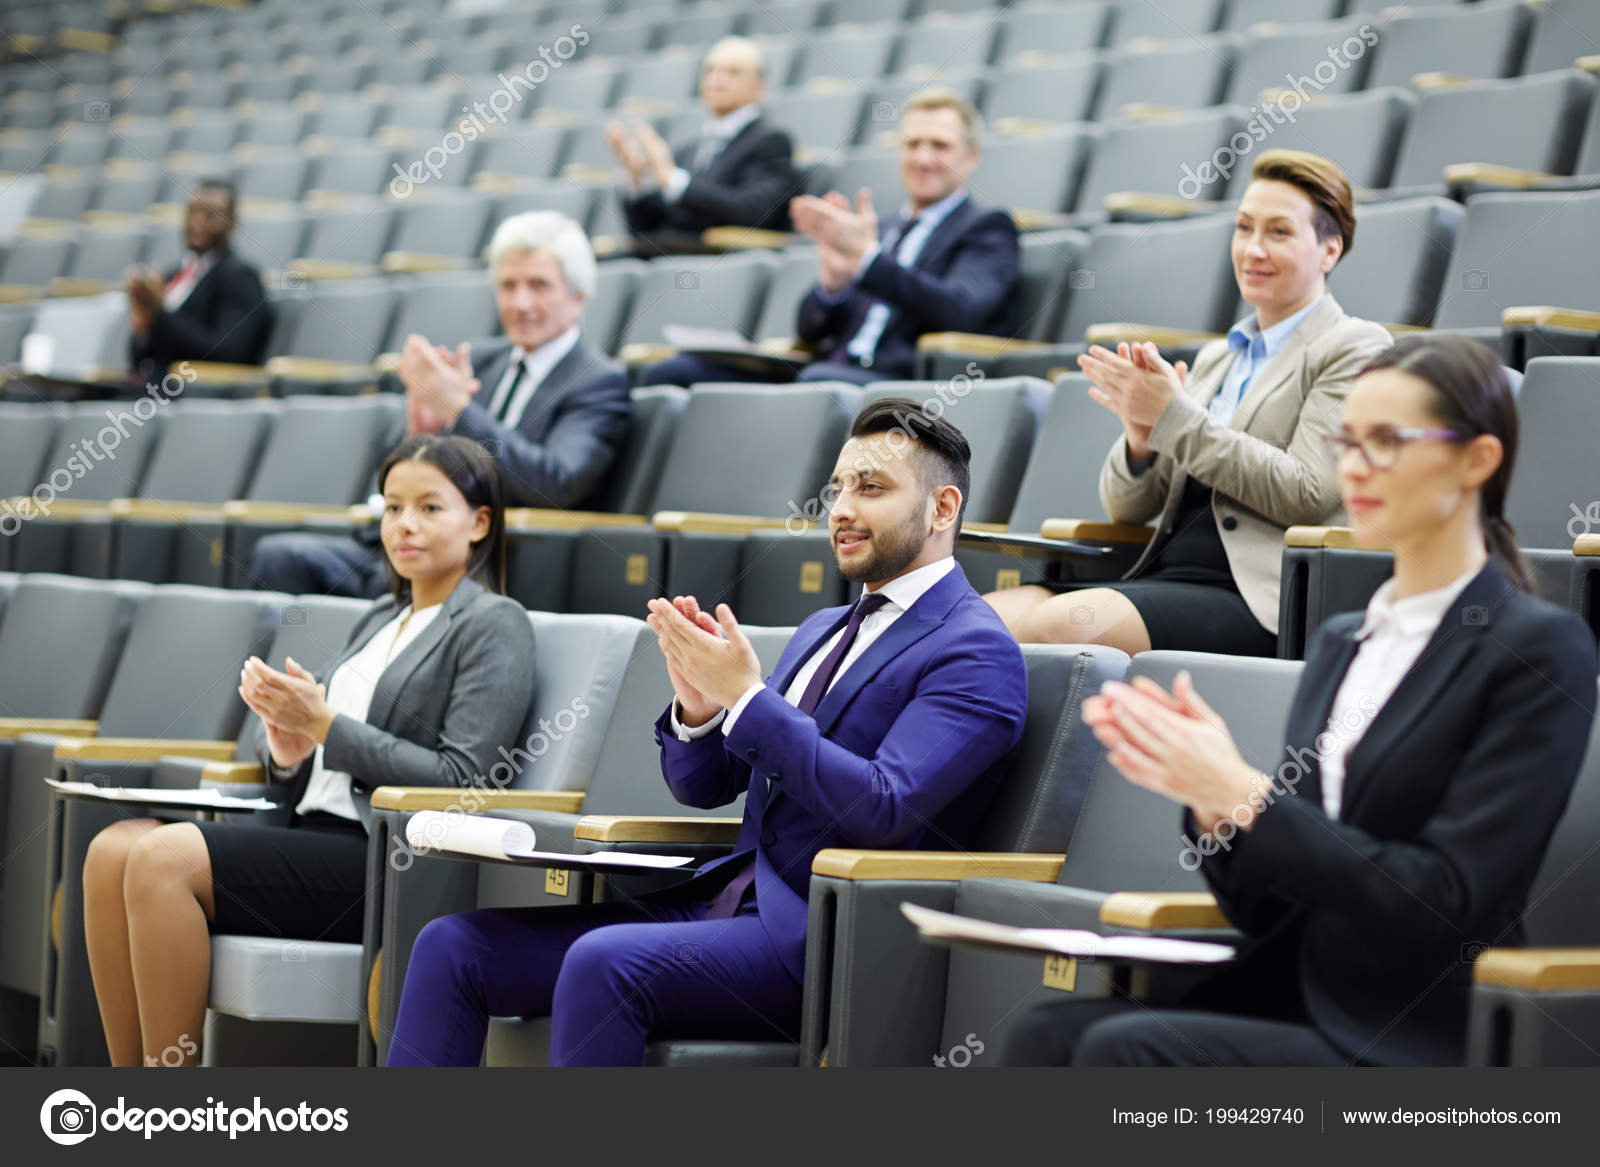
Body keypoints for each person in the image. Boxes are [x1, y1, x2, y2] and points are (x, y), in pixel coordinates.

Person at [1000, 333, 1598, 1067]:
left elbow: (1446, 902)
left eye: (1389, 441)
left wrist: (1248, 796)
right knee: (1043, 1033)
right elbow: (1274, 906)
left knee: (1128, 1052)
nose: (1355, 464)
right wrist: (1211, 805)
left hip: (1418, 1027)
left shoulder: (1539, 647)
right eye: (1348, 440)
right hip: (1300, 990)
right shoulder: (1345, 638)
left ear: (1477, 460)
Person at [385, 399, 1029, 1066]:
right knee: (452, 946)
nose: (840, 508)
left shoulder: (976, 650)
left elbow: (883, 807)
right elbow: (702, 786)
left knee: (604, 961)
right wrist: (699, 711)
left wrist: (747, 699)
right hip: (720, 902)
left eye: (871, 488)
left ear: (942, 508)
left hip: (826, 936)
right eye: (836, 488)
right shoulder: (822, 629)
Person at [81, 435, 538, 1067]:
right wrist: (292, 750)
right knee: (111, 849)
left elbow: (464, 778)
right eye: (393, 507)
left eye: (430, 508)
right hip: (310, 833)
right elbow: (323, 765)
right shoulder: (382, 614)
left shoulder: (495, 623)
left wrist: (325, 727)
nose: (404, 525)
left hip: (384, 858)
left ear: (480, 522)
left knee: (163, 858)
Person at [985, 150, 1393, 657]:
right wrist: (1141, 436)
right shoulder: (1220, 355)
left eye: (1279, 233)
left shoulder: (1354, 345)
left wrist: (1173, 417)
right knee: (978, 624)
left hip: (1254, 595)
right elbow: (1129, 508)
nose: (1253, 249)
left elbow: (1305, 492)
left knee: (1055, 627)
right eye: (1244, 228)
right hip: (1164, 572)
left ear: (1329, 251)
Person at [247, 211, 631, 598]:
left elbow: (557, 483)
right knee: (279, 557)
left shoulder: (598, 382)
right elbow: (406, 469)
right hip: (416, 546)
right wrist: (424, 436)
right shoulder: (482, 360)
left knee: (393, 582)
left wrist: (460, 413)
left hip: (494, 560)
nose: (520, 302)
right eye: (508, 286)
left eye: (538, 285)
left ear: (577, 298)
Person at [641, 88, 1019, 388]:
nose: (922, 158)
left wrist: (870, 261)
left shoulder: (987, 227)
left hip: (903, 385)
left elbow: (960, 309)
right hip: (828, 373)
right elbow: (810, 330)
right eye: (912, 144)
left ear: (970, 156)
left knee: (817, 381)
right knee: (673, 373)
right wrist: (833, 285)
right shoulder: (881, 228)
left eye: (939, 146)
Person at [606, 36, 798, 244]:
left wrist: (672, 180)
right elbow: (651, 232)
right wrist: (641, 183)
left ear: (759, 88)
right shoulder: (687, 152)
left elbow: (753, 212)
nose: (717, 79)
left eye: (733, 72)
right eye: (710, 70)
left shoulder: (771, 142)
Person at [125, 178, 273, 384]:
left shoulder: (240, 278)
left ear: (232, 222)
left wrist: (159, 314)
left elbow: (226, 352)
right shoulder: (171, 275)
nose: (198, 223)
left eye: (211, 215)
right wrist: (142, 324)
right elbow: (141, 357)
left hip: (188, 391)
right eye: (192, 213)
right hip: (150, 384)